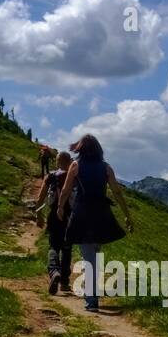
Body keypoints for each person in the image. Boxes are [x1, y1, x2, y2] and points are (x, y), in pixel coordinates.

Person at [56, 134, 132, 312]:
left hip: (82, 213)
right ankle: (91, 294)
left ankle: (91, 300)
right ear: (98, 150)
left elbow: (66, 190)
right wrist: (127, 214)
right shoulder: (106, 168)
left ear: (80, 149)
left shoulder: (75, 165)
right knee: (94, 255)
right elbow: (117, 192)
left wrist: (60, 207)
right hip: (101, 214)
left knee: (89, 256)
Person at [34, 150, 74, 294]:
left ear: (57, 162)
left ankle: (54, 272)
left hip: (53, 216)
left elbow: (40, 198)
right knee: (67, 248)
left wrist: (38, 215)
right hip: (70, 216)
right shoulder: (74, 176)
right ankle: (64, 281)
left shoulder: (50, 177)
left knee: (53, 247)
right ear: (70, 162)